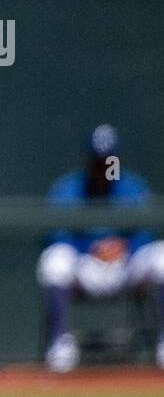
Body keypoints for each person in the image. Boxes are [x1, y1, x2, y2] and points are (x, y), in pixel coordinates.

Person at [38, 124, 164, 372]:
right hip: (86, 266)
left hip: (126, 266)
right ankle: (60, 345)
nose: (104, 167)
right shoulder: (69, 189)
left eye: (109, 161)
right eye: (99, 161)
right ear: (89, 160)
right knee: (54, 261)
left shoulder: (132, 187)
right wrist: (91, 248)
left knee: (162, 256)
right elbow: (55, 235)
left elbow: (147, 232)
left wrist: (123, 246)